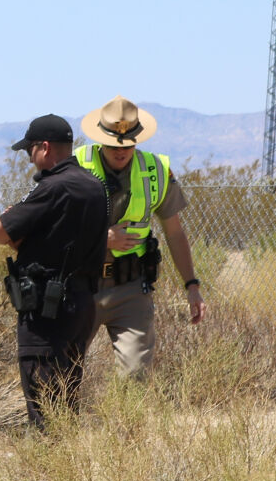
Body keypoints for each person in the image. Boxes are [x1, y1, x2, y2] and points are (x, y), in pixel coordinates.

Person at [0, 114, 109, 427]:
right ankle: (67, 463)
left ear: (44, 147)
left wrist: (18, 236)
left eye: (29, 151)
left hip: (46, 308)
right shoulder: (95, 186)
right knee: (66, 396)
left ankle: (48, 468)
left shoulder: (52, 187)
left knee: (43, 401)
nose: (29, 159)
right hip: (82, 303)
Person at [74, 95, 206, 380]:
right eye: (113, 145)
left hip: (131, 288)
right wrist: (101, 239)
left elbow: (175, 231)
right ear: (100, 139)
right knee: (63, 372)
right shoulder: (75, 167)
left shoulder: (156, 170)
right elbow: (56, 228)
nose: (121, 152)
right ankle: (64, 425)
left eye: (128, 144)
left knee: (135, 376)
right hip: (81, 286)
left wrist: (191, 285)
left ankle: (125, 425)